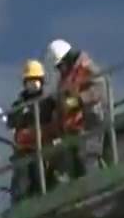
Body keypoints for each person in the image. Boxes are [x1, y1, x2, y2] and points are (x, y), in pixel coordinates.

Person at [46, 38, 107, 180]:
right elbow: (62, 105)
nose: (59, 69)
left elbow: (100, 88)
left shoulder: (85, 67)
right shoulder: (64, 80)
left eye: (60, 65)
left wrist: (78, 100)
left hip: (89, 122)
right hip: (71, 129)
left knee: (88, 157)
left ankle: (96, 186)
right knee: (71, 165)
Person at [4, 59, 57, 205]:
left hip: (43, 147)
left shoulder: (47, 101)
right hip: (24, 150)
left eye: (35, 80)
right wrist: (23, 115)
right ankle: (19, 206)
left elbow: (55, 118)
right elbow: (11, 122)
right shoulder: (19, 105)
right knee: (21, 183)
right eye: (29, 80)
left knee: (44, 180)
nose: (33, 84)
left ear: (41, 81)